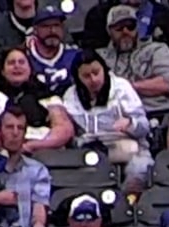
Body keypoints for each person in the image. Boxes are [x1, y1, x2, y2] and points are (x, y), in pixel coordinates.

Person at [60, 50, 153, 192]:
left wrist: (129, 123)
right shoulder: (70, 96)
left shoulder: (122, 88)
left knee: (140, 168)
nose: (93, 79)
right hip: (89, 150)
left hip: (128, 145)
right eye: (86, 76)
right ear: (77, 78)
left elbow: (144, 127)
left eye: (96, 72)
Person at [0, 45, 75, 153]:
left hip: (44, 154)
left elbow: (64, 131)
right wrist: (11, 147)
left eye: (21, 62)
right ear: (3, 71)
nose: (17, 66)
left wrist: (33, 146)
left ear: (30, 69)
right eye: (11, 63)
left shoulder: (50, 99)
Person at [0, 106, 50, 227]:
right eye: (9, 127)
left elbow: (39, 213)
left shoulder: (37, 170)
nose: (15, 133)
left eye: (20, 128)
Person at [96, 5, 169, 118]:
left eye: (130, 26)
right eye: (119, 28)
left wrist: (127, 86)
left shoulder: (157, 50)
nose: (125, 31)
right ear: (109, 31)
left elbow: (167, 84)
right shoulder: (100, 57)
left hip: (155, 112)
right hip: (114, 115)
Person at [25, 5, 77, 92]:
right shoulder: (23, 57)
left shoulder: (76, 56)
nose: (52, 31)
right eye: (45, 26)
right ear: (35, 30)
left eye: (56, 25)